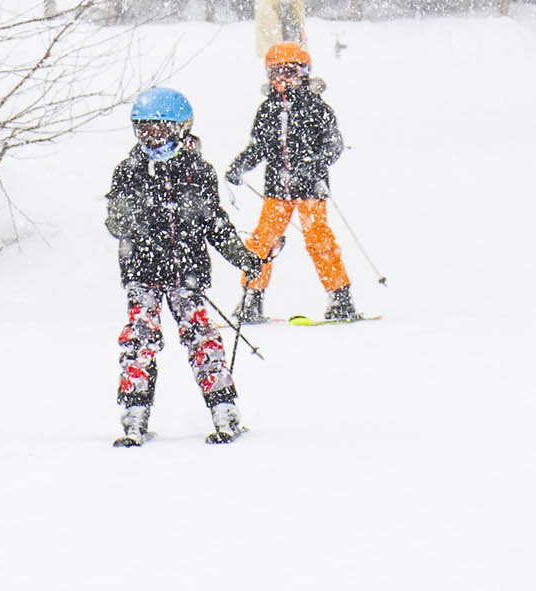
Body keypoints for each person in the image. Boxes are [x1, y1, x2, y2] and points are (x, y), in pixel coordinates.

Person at [106, 87, 264, 447]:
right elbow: (115, 222)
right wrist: (128, 218)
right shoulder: (129, 172)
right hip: (142, 272)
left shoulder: (197, 172)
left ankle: (224, 408)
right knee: (139, 339)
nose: (151, 138)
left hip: (185, 273)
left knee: (200, 337)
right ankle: (134, 414)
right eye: (143, 130)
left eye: (159, 130)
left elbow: (215, 223)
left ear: (180, 129)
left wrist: (242, 256)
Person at [227, 42, 356, 324]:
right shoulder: (268, 109)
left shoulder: (317, 108)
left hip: (310, 189)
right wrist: (240, 165)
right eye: (275, 74)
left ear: (304, 73)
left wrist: (311, 167)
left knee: (318, 239)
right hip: (277, 189)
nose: (282, 80)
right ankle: (251, 298)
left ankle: (340, 296)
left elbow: (333, 146)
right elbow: (258, 147)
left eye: (289, 72)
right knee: (262, 240)